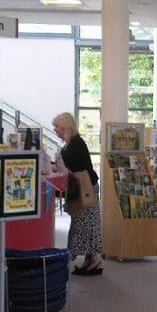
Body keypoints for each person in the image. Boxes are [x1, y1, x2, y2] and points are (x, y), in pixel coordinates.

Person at [51, 112, 103, 275]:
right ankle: (91, 260)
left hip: (86, 189)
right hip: (83, 188)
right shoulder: (71, 143)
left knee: (86, 225)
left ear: (65, 127)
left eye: (57, 126)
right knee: (82, 224)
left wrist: (54, 166)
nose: (55, 129)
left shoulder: (76, 144)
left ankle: (94, 259)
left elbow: (70, 165)